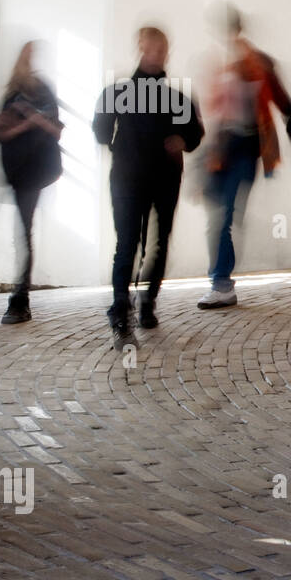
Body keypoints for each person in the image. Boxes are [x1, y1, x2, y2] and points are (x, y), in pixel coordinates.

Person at [93, 26, 203, 349]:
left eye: (162, 48)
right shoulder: (118, 92)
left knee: (158, 243)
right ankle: (120, 313)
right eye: (151, 47)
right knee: (127, 243)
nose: (157, 53)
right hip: (128, 178)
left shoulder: (177, 96)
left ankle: (147, 301)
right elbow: (99, 130)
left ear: (166, 52)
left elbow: (195, 134)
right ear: (140, 47)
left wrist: (182, 140)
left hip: (166, 178)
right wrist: (122, 147)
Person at [197, 3, 291, 310]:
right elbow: (212, 112)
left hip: (246, 148)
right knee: (216, 218)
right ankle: (220, 279)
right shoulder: (218, 65)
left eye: (227, 28)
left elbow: (284, 103)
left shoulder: (259, 63)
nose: (224, 34)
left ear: (236, 29)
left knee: (225, 216)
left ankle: (221, 283)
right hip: (219, 149)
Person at [0, 41, 64, 324]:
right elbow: (1, 132)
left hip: (36, 169)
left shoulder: (42, 88)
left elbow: (56, 130)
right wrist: (23, 122)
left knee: (24, 233)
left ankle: (20, 298)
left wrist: (33, 118)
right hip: (17, 169)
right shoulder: (11, 94)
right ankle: (19, 296)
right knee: (22, 233)